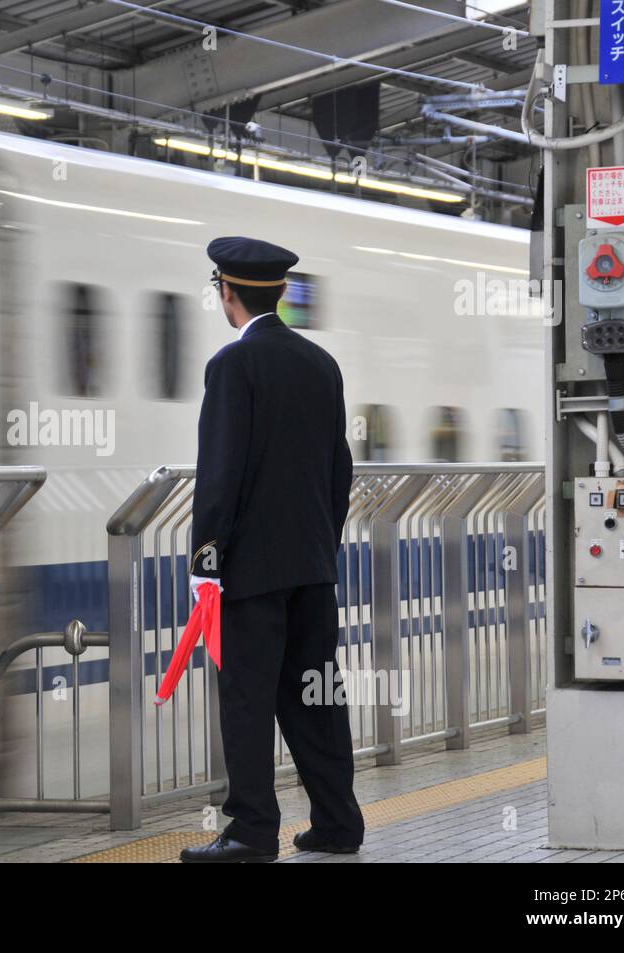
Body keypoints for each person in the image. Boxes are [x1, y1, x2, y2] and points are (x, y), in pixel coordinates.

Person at [179, 236, 364, 864]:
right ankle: (338, 823)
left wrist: (207, 558)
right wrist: (322, 544)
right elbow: (339, 469)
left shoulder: (233, 366)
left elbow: (221, 471)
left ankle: (252, 831)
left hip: (250, 574)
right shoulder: (321, 363)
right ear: (281, 291)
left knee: (248, 700)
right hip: (313, 565)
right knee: (315, 691)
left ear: (226, 293)